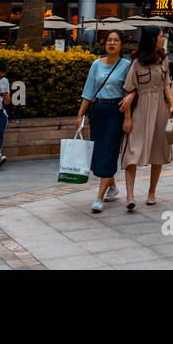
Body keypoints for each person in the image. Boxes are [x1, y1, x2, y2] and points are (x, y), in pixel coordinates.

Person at [119, 33, 173, 211]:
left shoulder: (163, 59)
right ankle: (130, 196)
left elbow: (166, 85)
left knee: (159, 151)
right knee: (132, 152)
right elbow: (128, 89)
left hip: (160, 108)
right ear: (152, 39)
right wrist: (127, 118)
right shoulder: (137, 62)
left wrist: (172, 105)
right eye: (161, 36)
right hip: (140, 110)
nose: (163, 39)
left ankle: (152, 192)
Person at [76, 30, 131, 212]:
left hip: (117, 111)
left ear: (121, 45)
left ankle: (99, 197)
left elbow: (130, 91)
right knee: (99, 151)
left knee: (109, 151)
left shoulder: (126, 65)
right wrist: (80, 115)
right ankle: (112, 187)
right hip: (98, 110)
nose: (112, 43)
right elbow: (88, 92)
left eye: (116, 40)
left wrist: (128, 116)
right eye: (109, 40)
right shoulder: (96, 65)